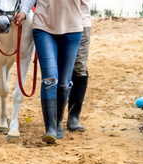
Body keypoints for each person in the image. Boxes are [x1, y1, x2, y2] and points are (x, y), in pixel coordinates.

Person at [15, 0, 82, 144]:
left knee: (64, 83)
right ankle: (50, 129)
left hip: (72, 28)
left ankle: (57, 123)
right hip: (43, 27)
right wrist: (24, 11)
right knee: (50, 79)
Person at [66, 0, 90, 131]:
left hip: (81, 21)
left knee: (79, 67)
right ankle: (54, 117)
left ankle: (73, 116)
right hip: (52, 23)